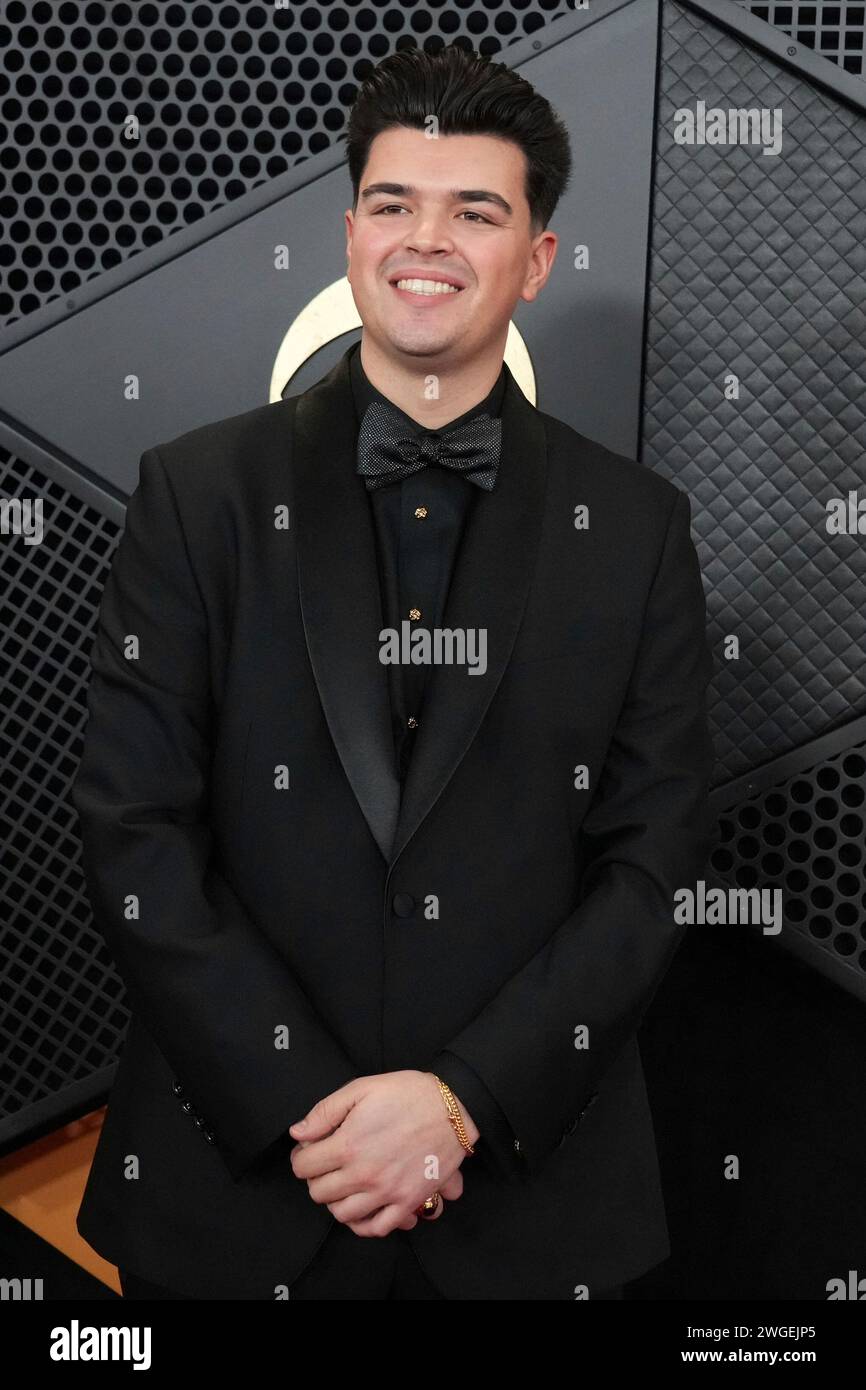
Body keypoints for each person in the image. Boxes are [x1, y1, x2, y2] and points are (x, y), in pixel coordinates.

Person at [71, 44, 715, 1301]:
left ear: (534, 258)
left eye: (476, 210)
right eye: (392, 203)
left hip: (531, 1204)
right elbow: (132, 827)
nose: (427, 239)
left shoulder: (635, 527)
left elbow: (653, 862)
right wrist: (315, 1111)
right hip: (241, 1186)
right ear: (350, 230)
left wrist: (463, 1105)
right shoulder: (195, 495)